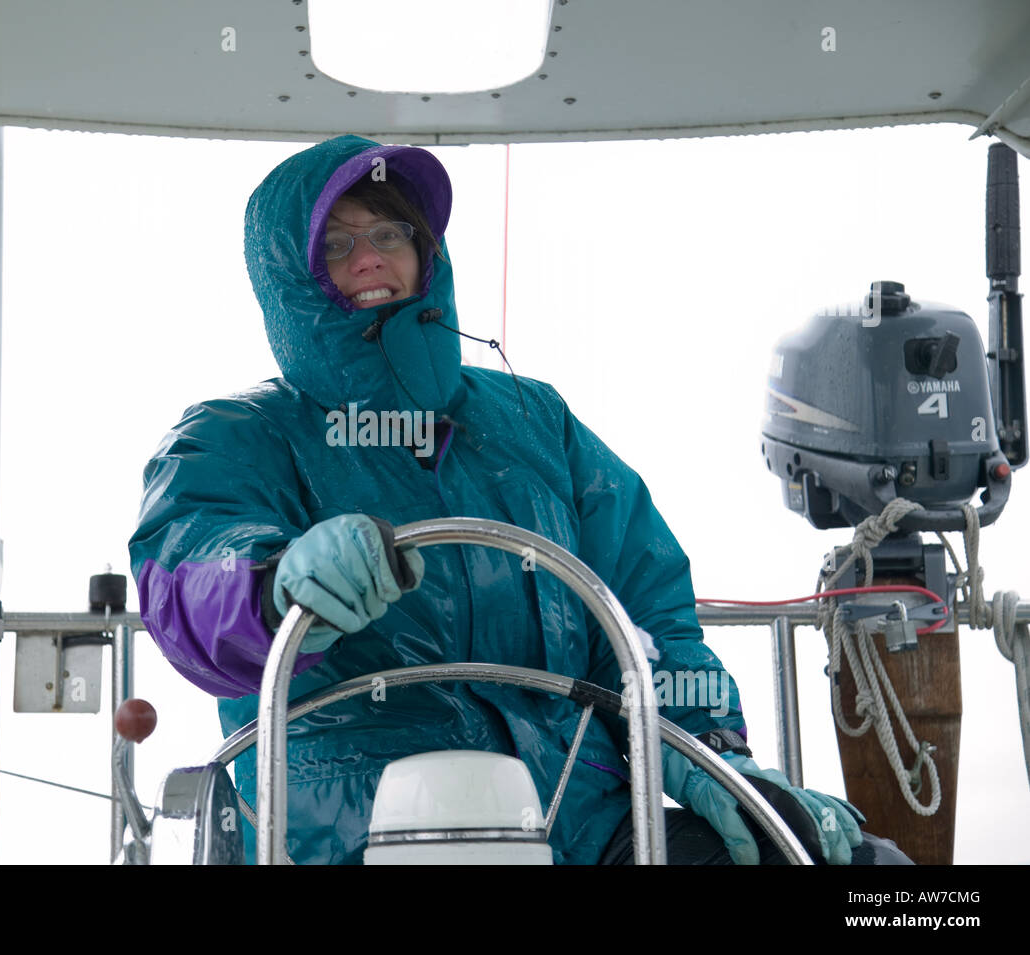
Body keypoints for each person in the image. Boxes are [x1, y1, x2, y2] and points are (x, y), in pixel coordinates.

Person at [129, 134, 910, 865]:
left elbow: (643, 615)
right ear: (291, 280)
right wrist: (273, 584)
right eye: (336, 245)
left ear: (425, 253)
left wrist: (711, 756)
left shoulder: (537, 423)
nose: (369, 259)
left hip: (579, 816)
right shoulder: (237, 437)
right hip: (349, 830)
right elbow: (187, 571)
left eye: (389, 234)